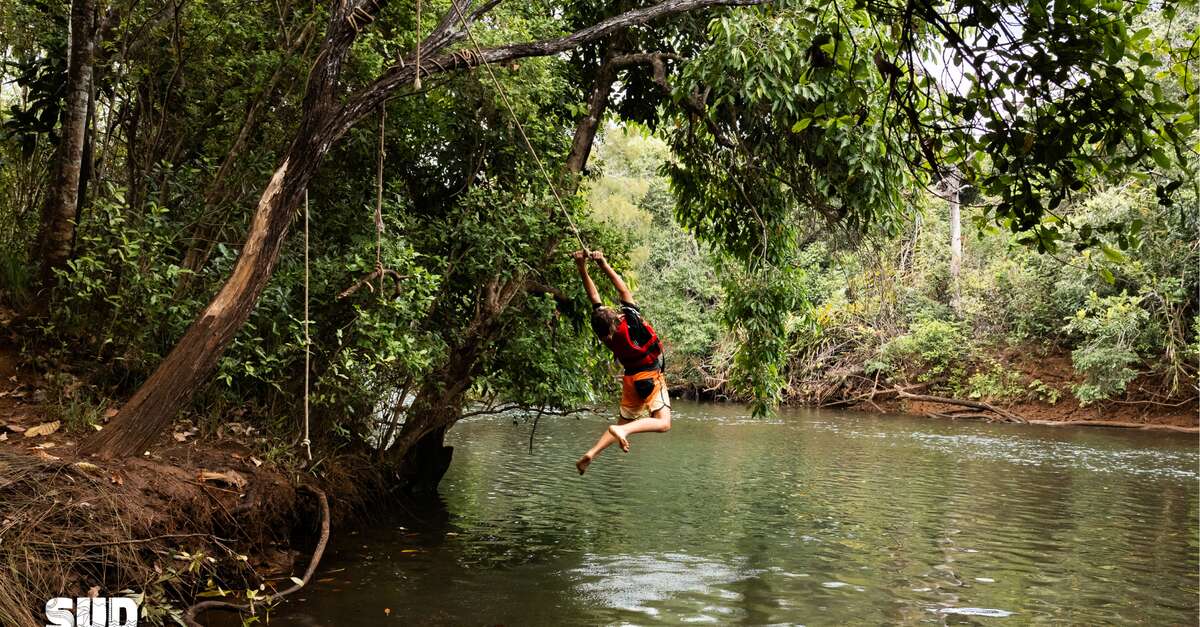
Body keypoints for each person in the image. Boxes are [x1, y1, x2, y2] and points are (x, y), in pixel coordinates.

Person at [572, 249, 671, 475]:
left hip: (630, 380)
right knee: (663, 423)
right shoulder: (630, 322)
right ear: (616, 319)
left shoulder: (605, 334)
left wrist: (581, 267)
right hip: (649, 376)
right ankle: (623, 432)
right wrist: (603, 264)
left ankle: (591, 454)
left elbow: (594, 297)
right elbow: (622, 289)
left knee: (622, 422)